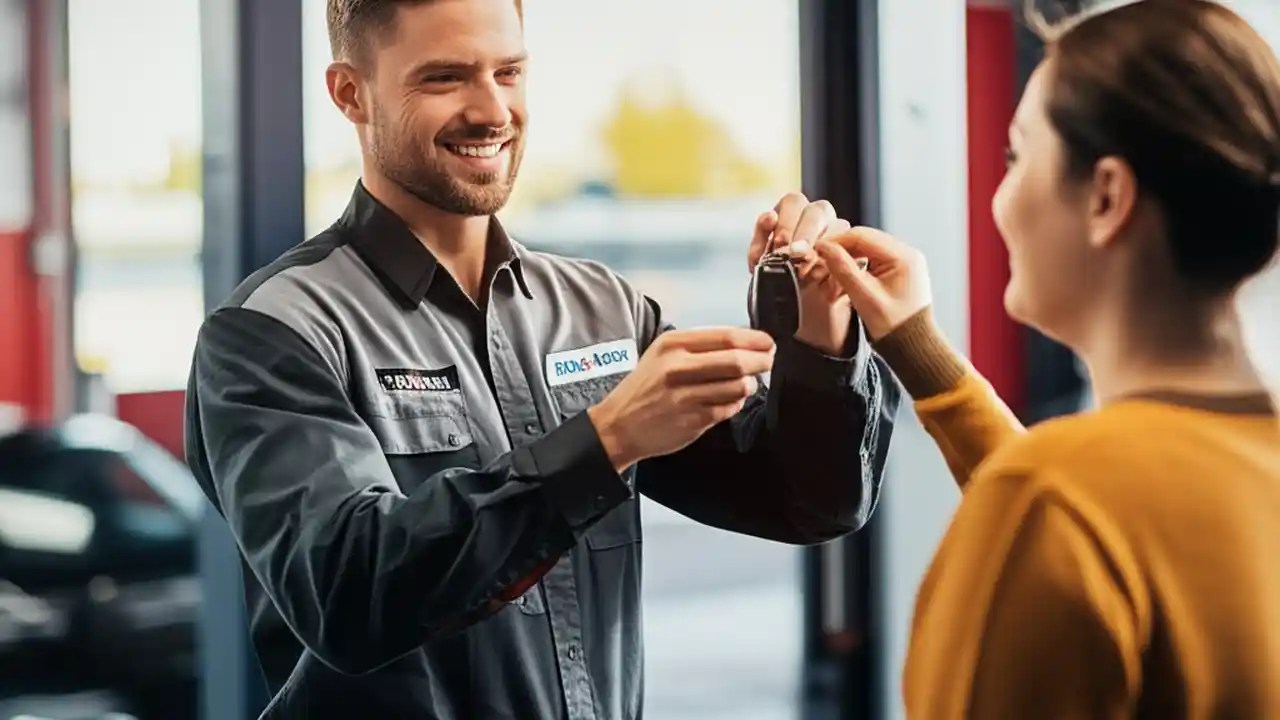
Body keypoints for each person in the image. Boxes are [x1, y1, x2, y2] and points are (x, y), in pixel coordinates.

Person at [183, 0, 899, 717]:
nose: (492, 110)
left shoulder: (604, 310)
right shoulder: (270, 333)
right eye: (444, 79)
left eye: (509, 72)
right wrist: (608, 439)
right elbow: (349, 595)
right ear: (350, 93)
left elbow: (810, 502)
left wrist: (822, 337)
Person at [812, 1, 1280, 717]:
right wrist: (917, 347)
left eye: (1018, 155)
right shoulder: (1234, 463)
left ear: (1106, 196)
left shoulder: (1053, 505)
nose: (1000, 198)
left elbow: (1071, 508)